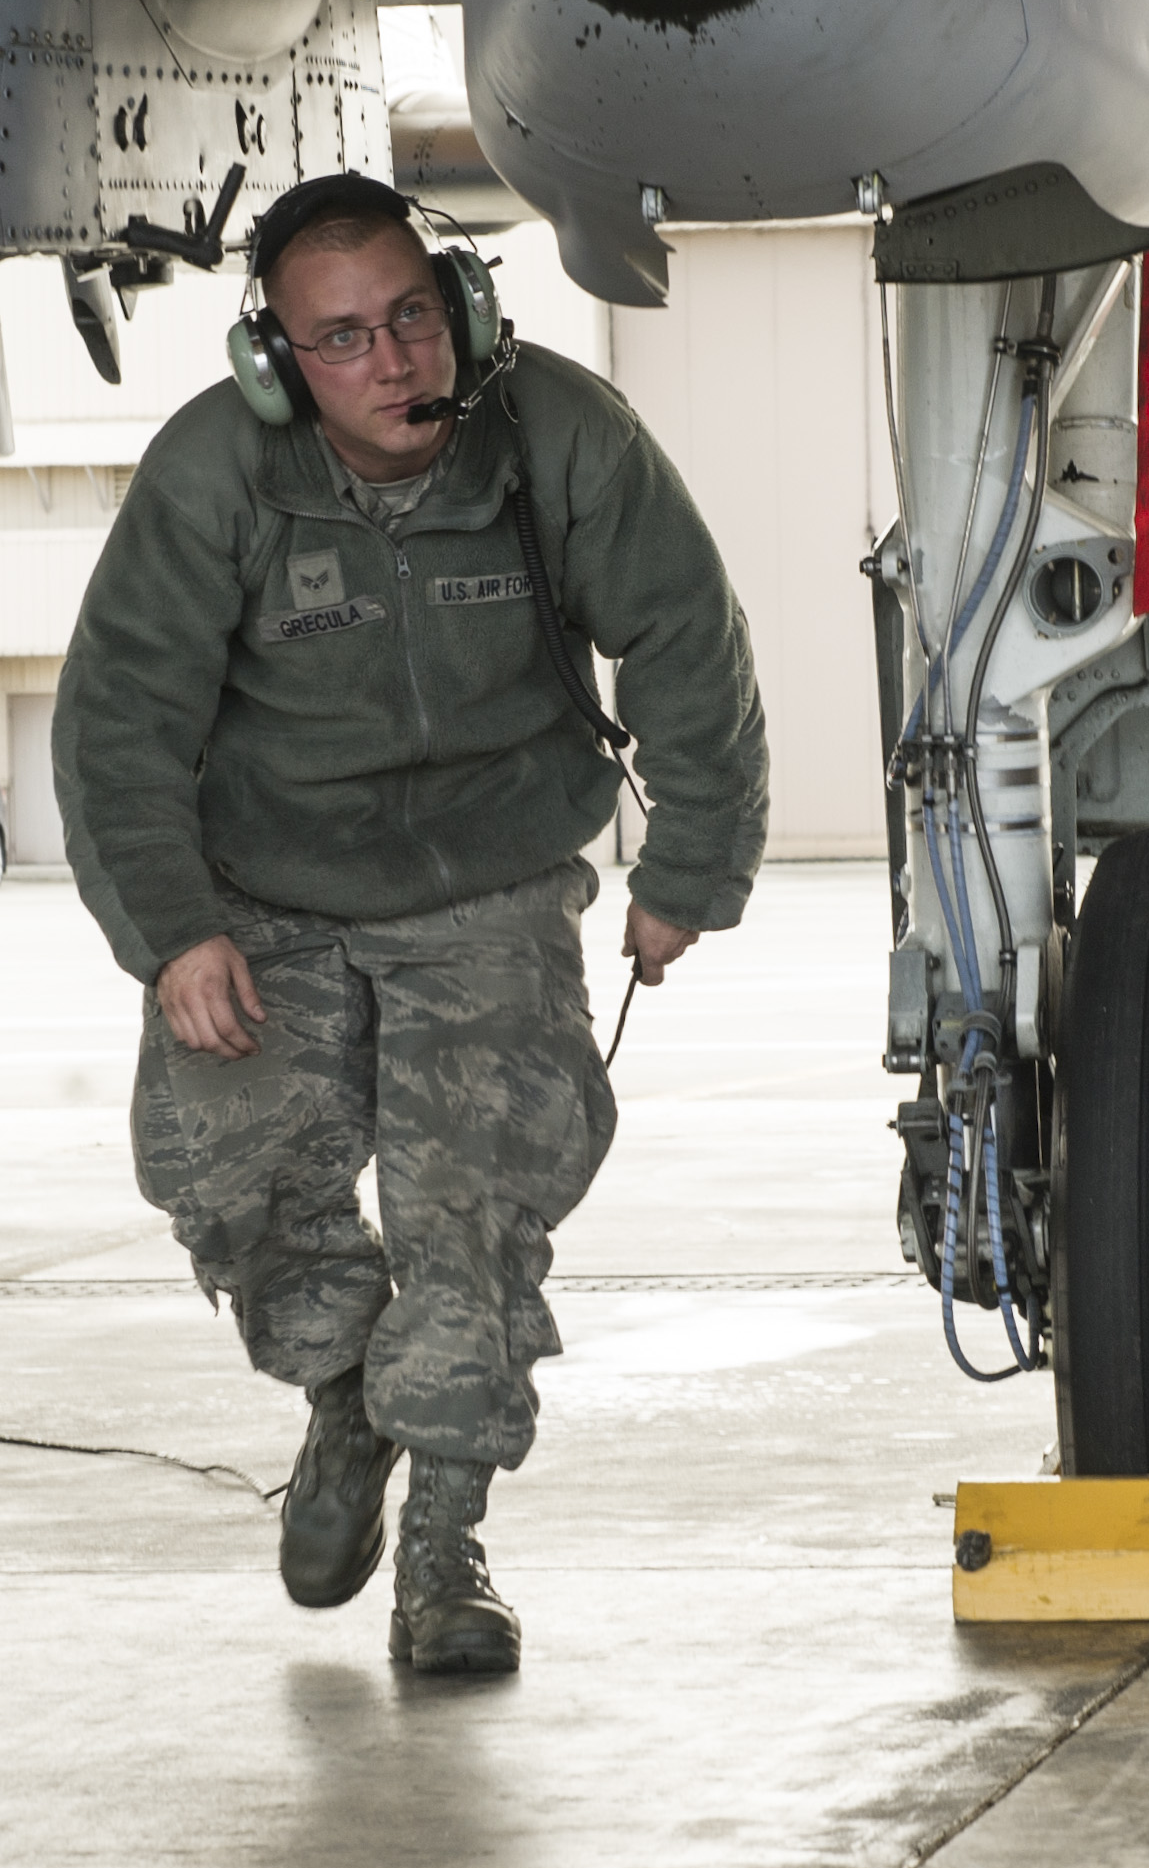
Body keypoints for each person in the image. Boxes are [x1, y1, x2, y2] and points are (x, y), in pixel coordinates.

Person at [52, 173, 768, 1674]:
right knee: (232, 1177)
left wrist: (687, 866)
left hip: (490, 884)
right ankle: (343, 1399)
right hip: (268, 893)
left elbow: (690, 638)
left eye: (413, 317)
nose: (395, 361)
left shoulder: (557, 440)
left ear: (462, 308)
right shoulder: (215, 478)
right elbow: (117, 722)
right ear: (273, 359)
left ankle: (444, 1548)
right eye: (344, 337)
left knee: (475, 1213)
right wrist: (175, 931)